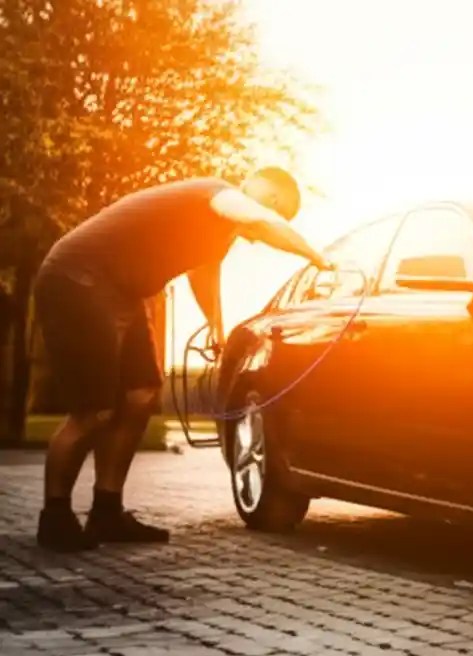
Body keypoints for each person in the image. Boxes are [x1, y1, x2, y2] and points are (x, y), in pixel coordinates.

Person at [32, 167, 331, 552]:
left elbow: (203, 273)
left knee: (141, 394)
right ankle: (54, 517)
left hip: (123, 291)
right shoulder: (219, 194)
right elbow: (257, 217)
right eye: (279, 215)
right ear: (272, 200)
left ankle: (106, 511)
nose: (259, 239)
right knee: (94, 412)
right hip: (77, 278)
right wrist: (317, 259)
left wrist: (216, 326)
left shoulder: (217, 233)